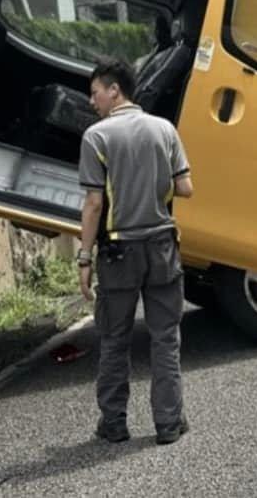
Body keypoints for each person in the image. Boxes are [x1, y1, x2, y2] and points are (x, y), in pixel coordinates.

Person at [76, 58, 194, 446]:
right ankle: (168, 423)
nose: (92, 101)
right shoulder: (165, 129)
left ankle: (114, 423)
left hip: (118, 252)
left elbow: (94, 203)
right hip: (161, 246)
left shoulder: (97, 137)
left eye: (95, 93)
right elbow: (186, 188)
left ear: (115, 90)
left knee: (114, 339)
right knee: (165, 338)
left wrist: (84, 258)